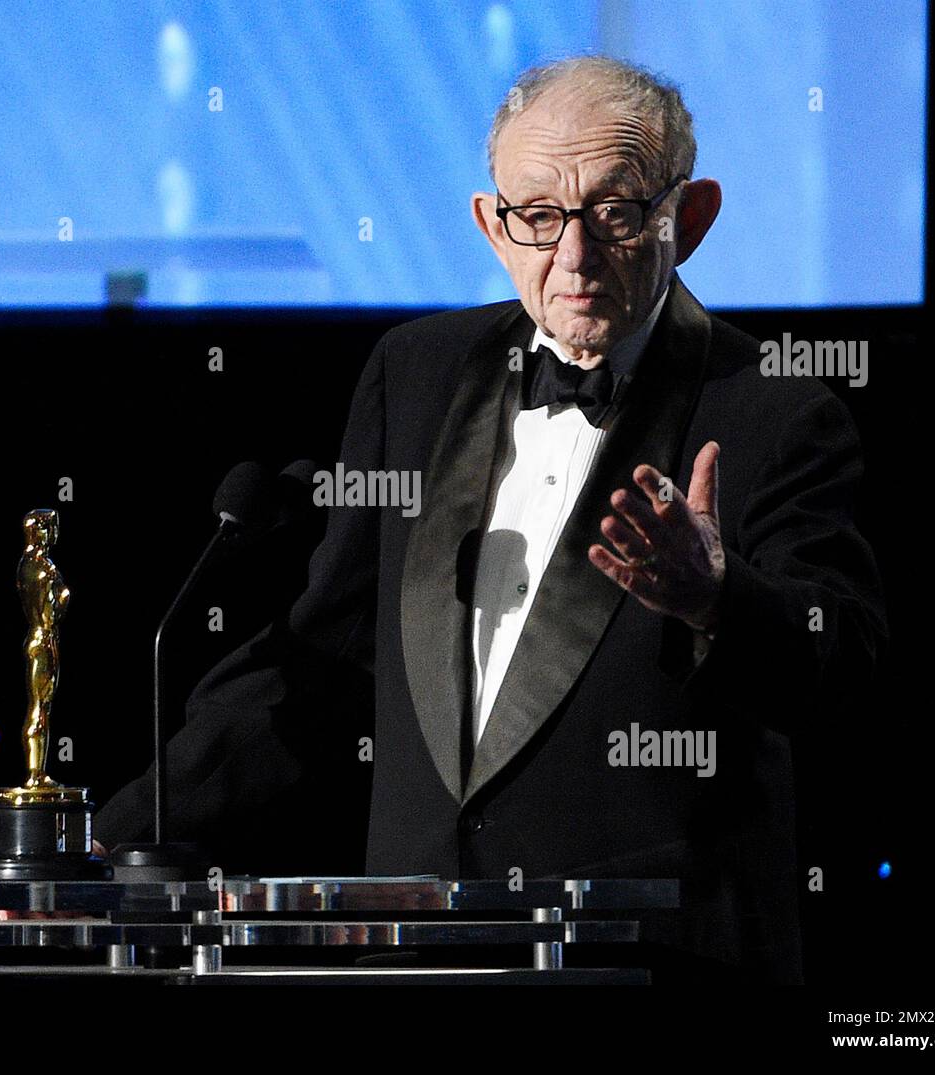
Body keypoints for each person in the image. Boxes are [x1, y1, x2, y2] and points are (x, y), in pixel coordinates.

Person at [94, 55, 887, 984]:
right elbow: (326, 662)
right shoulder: (416, 374)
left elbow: (847, 666)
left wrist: (717, 598)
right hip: (419, 959)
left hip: (650, 969)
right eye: (539, 215)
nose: (574, 256)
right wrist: (112, 842)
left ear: (691, 216)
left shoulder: (773, 410)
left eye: (615, 212)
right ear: (491, 224)